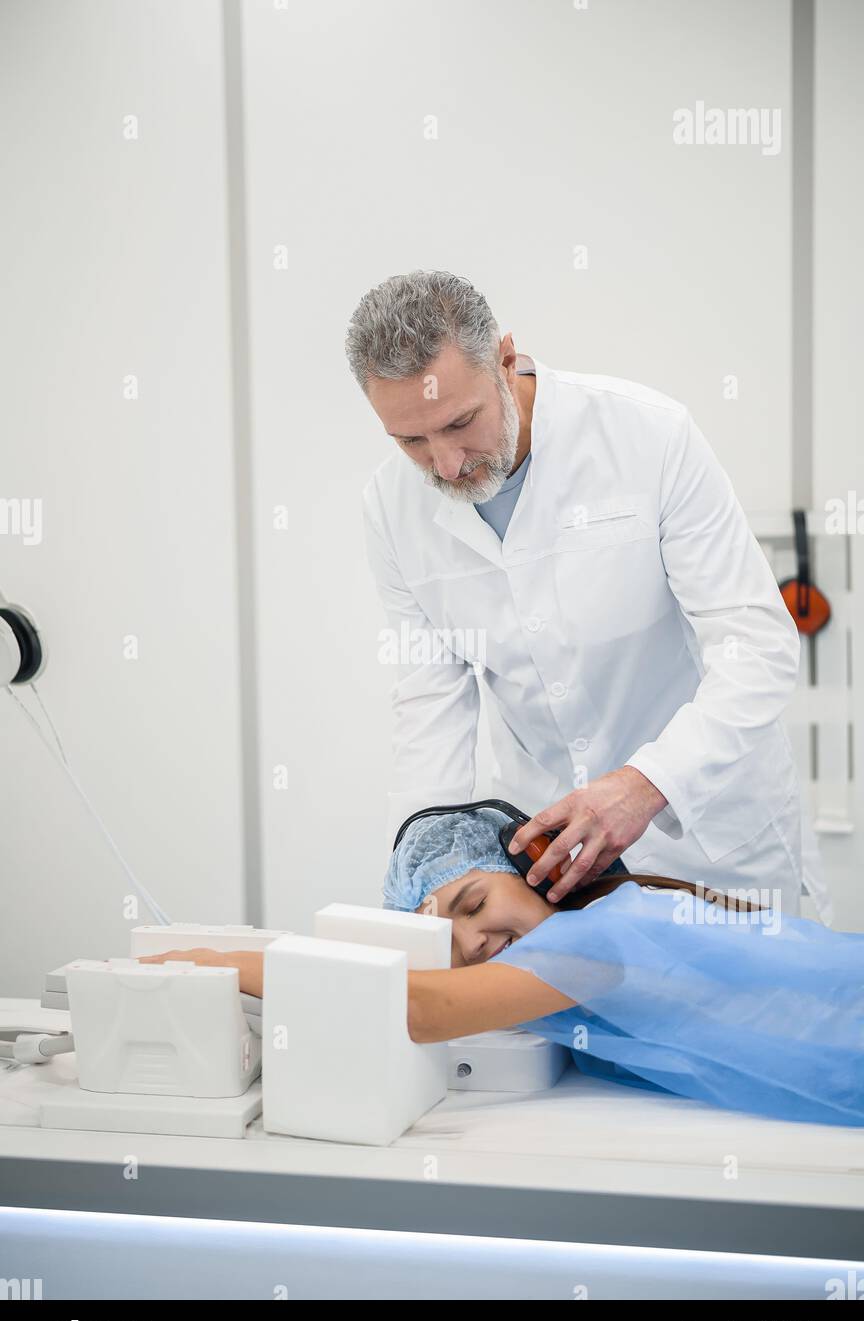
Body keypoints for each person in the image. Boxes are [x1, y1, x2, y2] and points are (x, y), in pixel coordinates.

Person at [346, 269, 831, 922]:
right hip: (553, 855)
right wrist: (413, 881)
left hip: (713, 838)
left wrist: (648, 783)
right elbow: (433, 702)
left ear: (505, 360)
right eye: (411, 441)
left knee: (750, 1013)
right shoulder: (390, 507)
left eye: (461, 422)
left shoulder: (648, 435)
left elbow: (756, 646)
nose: (448, 464)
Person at [143, 806, 864, 1127]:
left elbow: (422, 1009)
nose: (476, 942)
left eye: (474, 900)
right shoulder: (578, 980)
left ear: (536, 868)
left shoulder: (602, 938)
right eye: (449, 946)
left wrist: (228, 961)